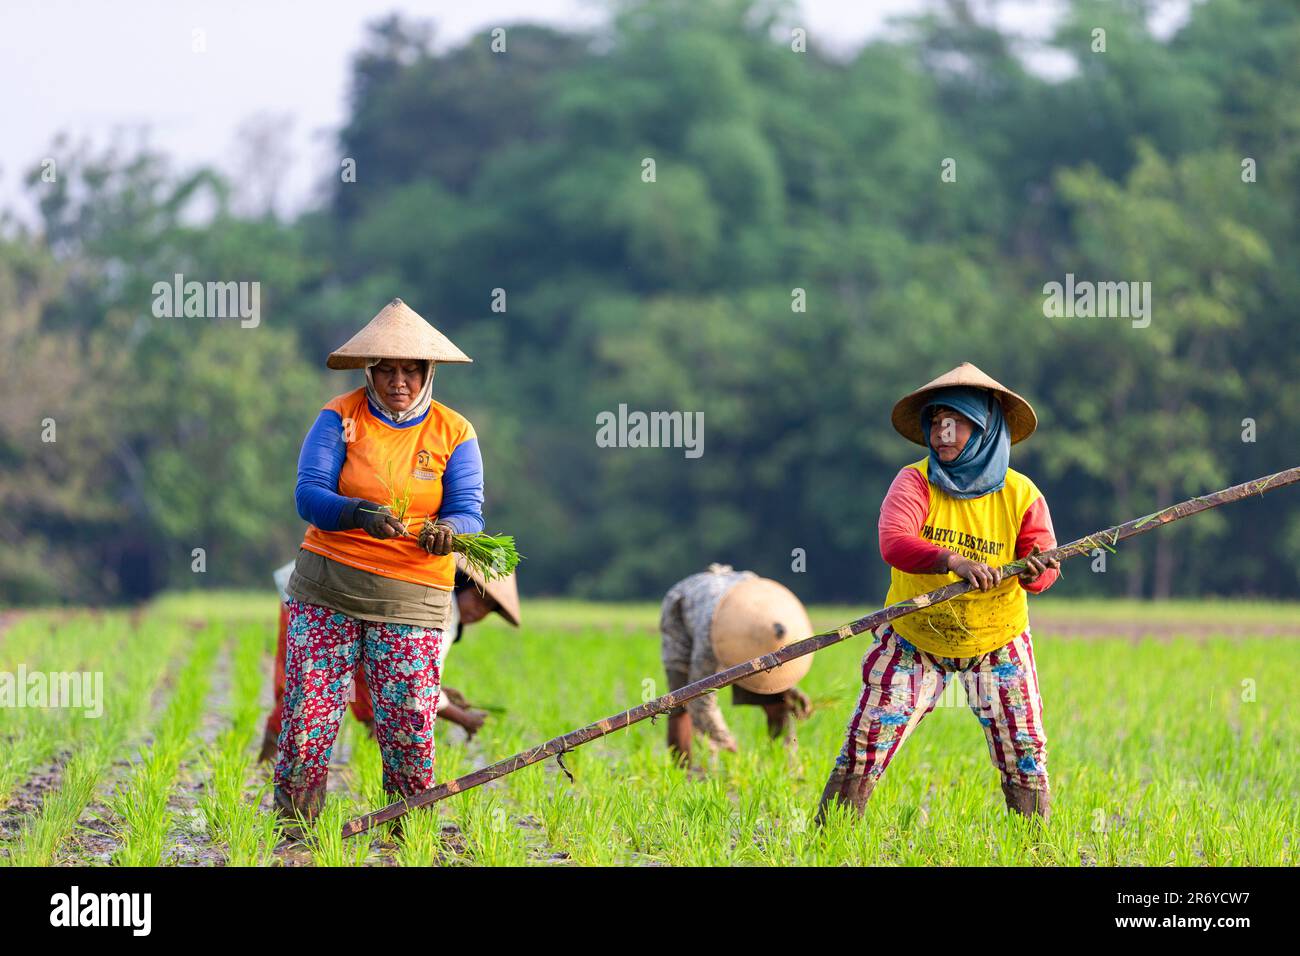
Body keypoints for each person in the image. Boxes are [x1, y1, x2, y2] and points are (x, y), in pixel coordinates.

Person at [815, 362, 1061, 825]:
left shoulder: (1021, 495)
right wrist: (954, 561)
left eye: (956, 423)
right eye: (935, 421)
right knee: (868, 740)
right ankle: (832, 840)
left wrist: (1036, 572)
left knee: (1023, 749)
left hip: (997, 640)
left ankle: (1034, 847)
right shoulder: (914, 482)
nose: (942, 433)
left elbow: (1042, 569)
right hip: (915, 637)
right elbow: (894, 541)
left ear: (986, 429)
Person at [274, 297, 485, 827]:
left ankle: (405, 835)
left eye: (411, 370)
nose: (399, 382)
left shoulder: (453, 432)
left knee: (409, 725)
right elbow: (308, 494)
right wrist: (358, 513)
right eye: (387, 370)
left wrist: (449, 533)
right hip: (328, 590)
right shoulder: (338, 418)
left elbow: (469, 513)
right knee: (308, 721)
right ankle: (295, 835)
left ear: (428, 371)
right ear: (370, 371)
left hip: (412, 597)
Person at [258, 556, 521, 763]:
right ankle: (270, 760)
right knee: (315, 686)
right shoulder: (442, 609)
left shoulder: (438, 601)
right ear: (462, 584)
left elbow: (419, 677)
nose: (478, 612)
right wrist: (461, 717)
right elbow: (419, 686)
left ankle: (369, 752)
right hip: (318, 597)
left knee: (358, 688)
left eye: (488, 610)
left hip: (329, 595)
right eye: (477, 600)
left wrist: (441, 694)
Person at [660, 564, 813, 765]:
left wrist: (787, 689)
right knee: (680, 702)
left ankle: (785, 765)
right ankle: (682, 771)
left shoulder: (769, 608)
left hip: (742, 605)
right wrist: (728, 743)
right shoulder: (709, 632)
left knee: (777, 701)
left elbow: (775, 674)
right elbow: (698, 699)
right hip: (686, 612)